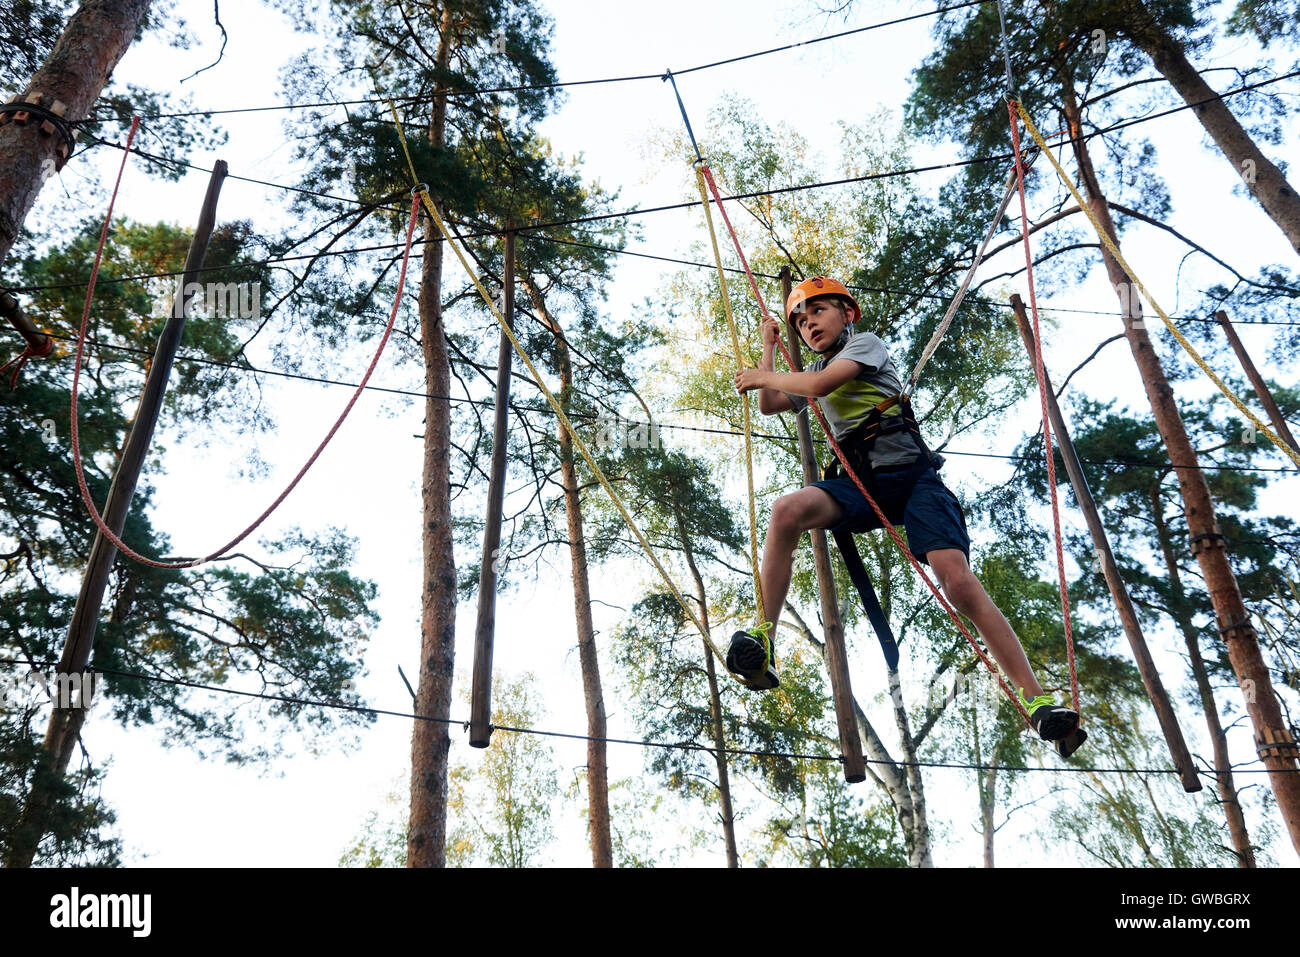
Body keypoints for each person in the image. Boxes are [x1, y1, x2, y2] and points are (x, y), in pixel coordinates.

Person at [730, 276, 1081, 750]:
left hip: (915, 481)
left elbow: (816, 384)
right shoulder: (810, 365)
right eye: (799, 320)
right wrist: (769, 349)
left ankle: (1036, 701)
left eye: (817, 312)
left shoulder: (866, 347)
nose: (807, 323)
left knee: (956, 581)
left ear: (847, 314)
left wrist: (764, 375)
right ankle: (765, 638)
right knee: (787, 509)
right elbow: (772, 403)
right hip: (860, 485)